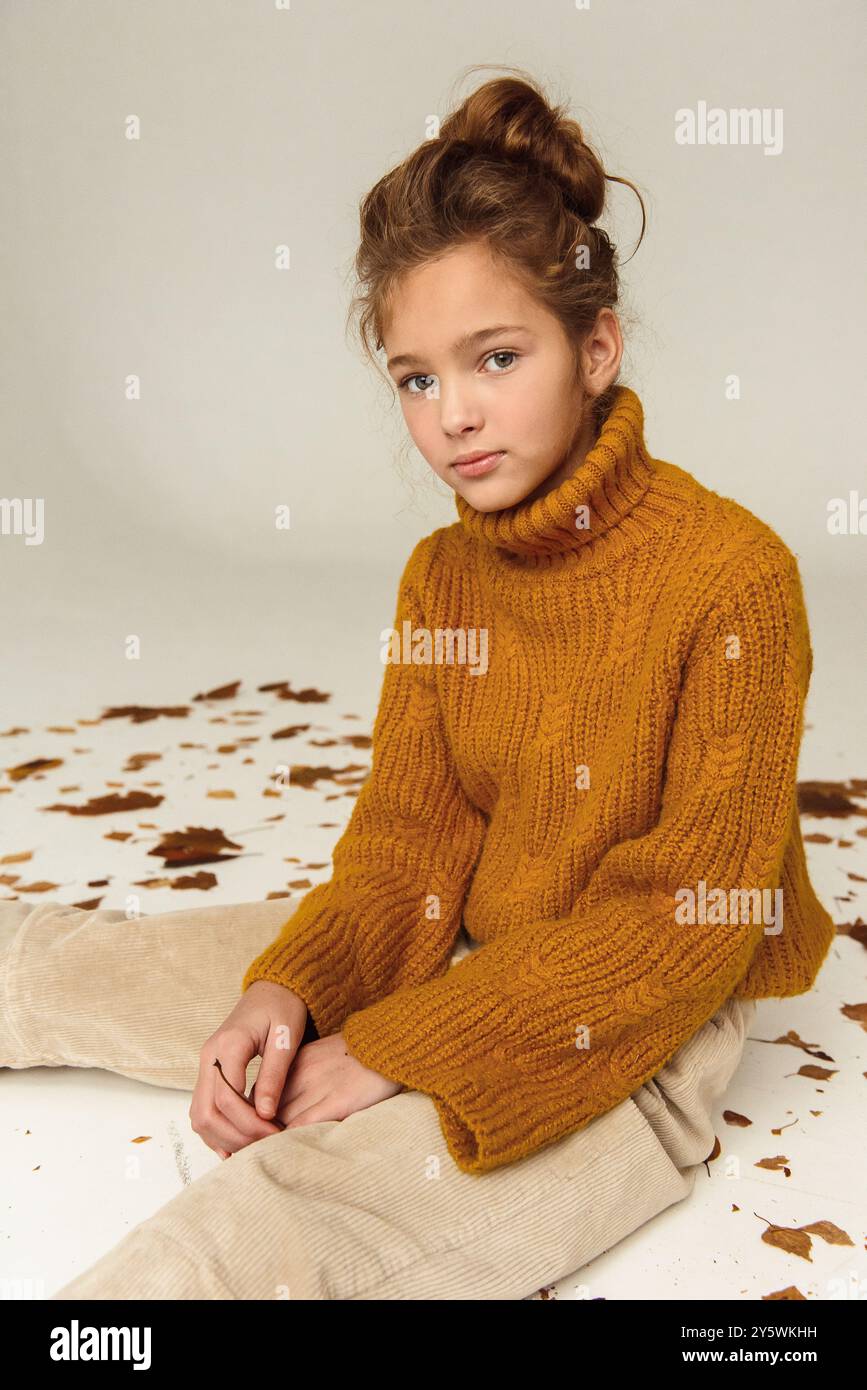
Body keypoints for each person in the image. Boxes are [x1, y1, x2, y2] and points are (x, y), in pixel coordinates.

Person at [2, 67, 834, 1300]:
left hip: (634, 1031)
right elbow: (406, 844)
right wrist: (295, 991)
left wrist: (395, 1050)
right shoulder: (442, 578)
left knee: (277, 1226)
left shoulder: (734, 580)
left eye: (496, 357)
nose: (455, 415)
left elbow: (682, 926)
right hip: (460, 941)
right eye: (417, 376)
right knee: (127, 979)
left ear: (594, 346)